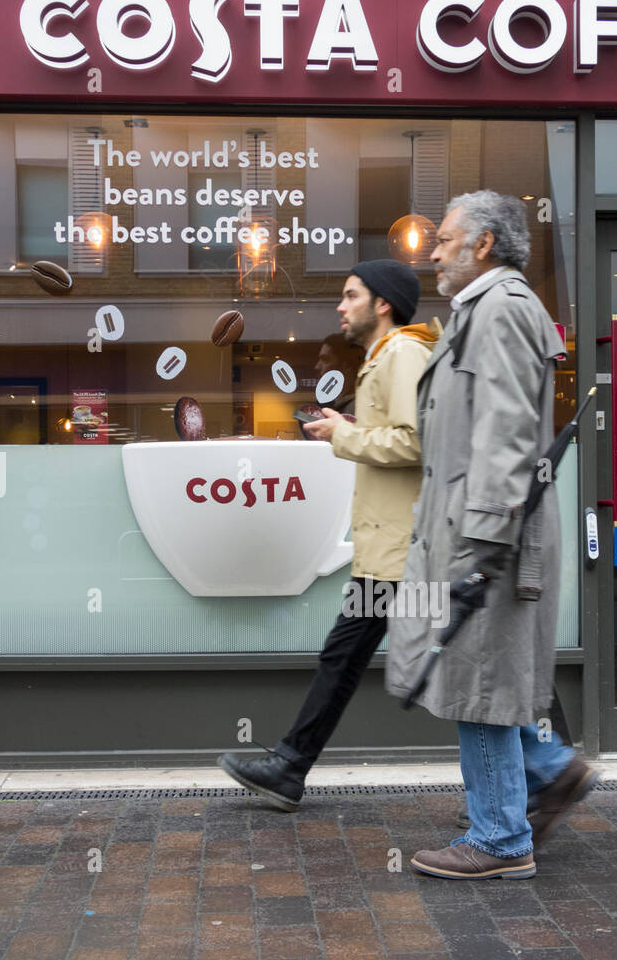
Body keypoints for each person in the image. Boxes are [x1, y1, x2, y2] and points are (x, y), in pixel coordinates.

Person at [385, 191, 597, 880]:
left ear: (482, 245)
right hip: (481, 529)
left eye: (444, 239)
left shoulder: (498, 311)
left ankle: (500, 839)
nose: (433, 251)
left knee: (477, 678)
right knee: (483, 674)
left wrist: (479, 543)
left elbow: (504, 434)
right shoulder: (480, 312)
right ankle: (547, 771)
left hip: (490, 536)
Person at [218, 260, 440, 809]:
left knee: (441, 658)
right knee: (356, 656)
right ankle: (290, 765)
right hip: (387, 549)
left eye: (350, 295)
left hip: (403, 549)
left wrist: (343, 435)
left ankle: (545, 763)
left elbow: (417, 442)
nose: (340, 306)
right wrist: (340, 433)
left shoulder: (405, 354)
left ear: (382, 303)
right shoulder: (385, 357)